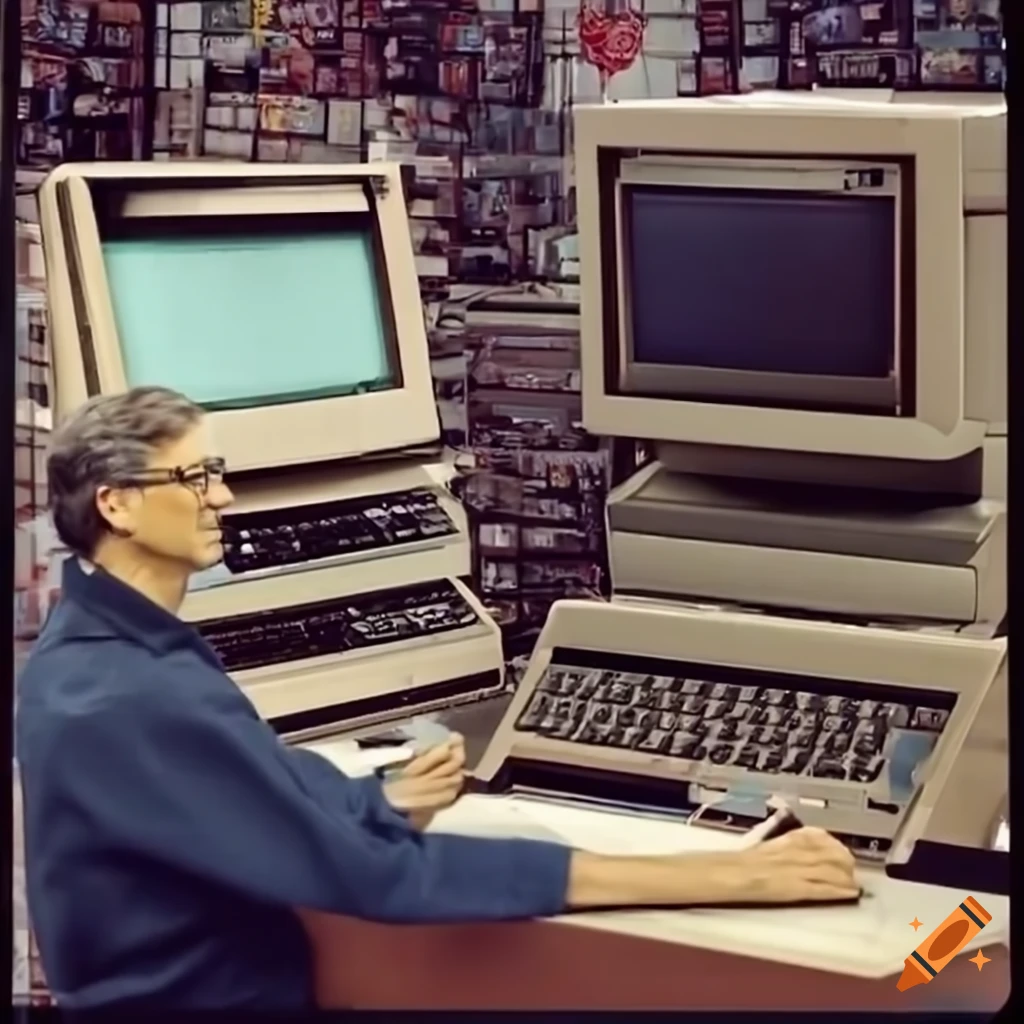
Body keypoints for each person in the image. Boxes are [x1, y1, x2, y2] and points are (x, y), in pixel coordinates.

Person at [16, 386, 860, 1011]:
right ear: (117, 503)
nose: (224, 497)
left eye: (218, 471)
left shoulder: (94, 652)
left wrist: (375, 799)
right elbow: (374, 879)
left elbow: (243, 787)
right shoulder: (130, 696)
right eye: (195, 475)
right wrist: (723, 873)